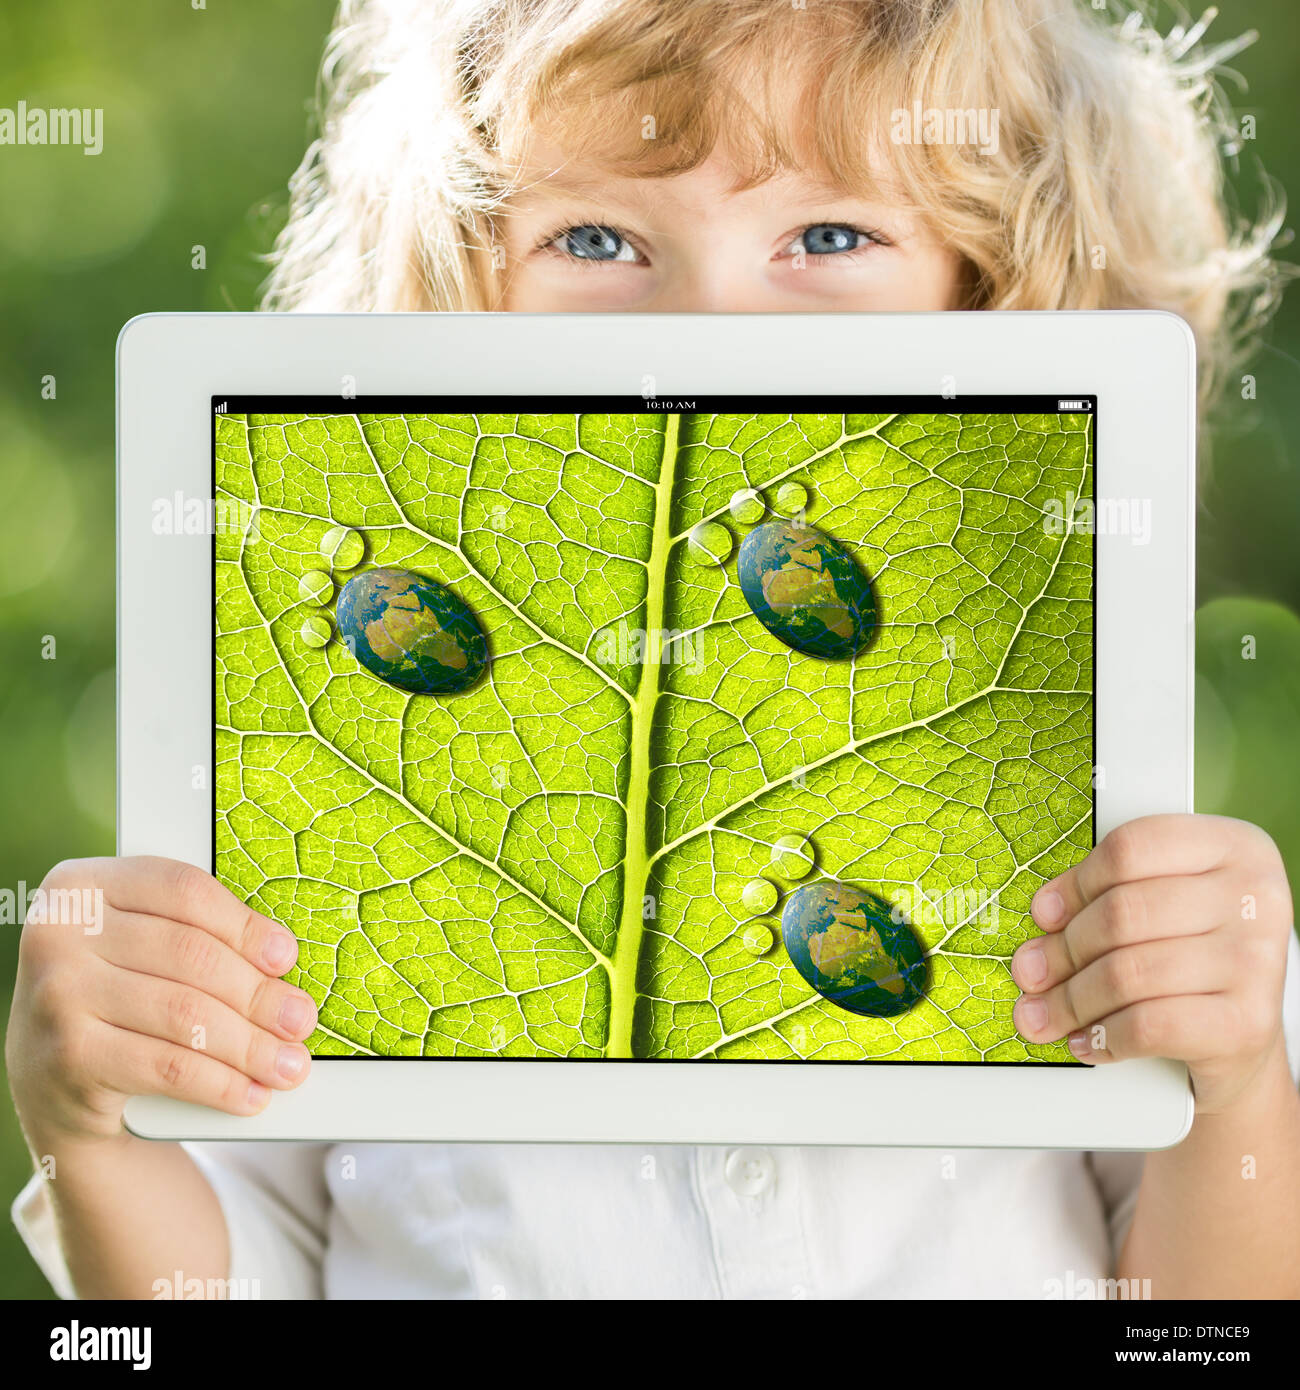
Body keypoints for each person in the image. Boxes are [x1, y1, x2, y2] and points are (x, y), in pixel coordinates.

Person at [9, 0, 1299, 1300]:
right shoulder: (323, 809)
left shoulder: (1089, 814)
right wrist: (93, 1134)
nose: (711, 324)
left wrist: (1238, 1088)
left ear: (995, 290)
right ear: (452, 288)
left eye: (831, 234)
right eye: (599, 237)